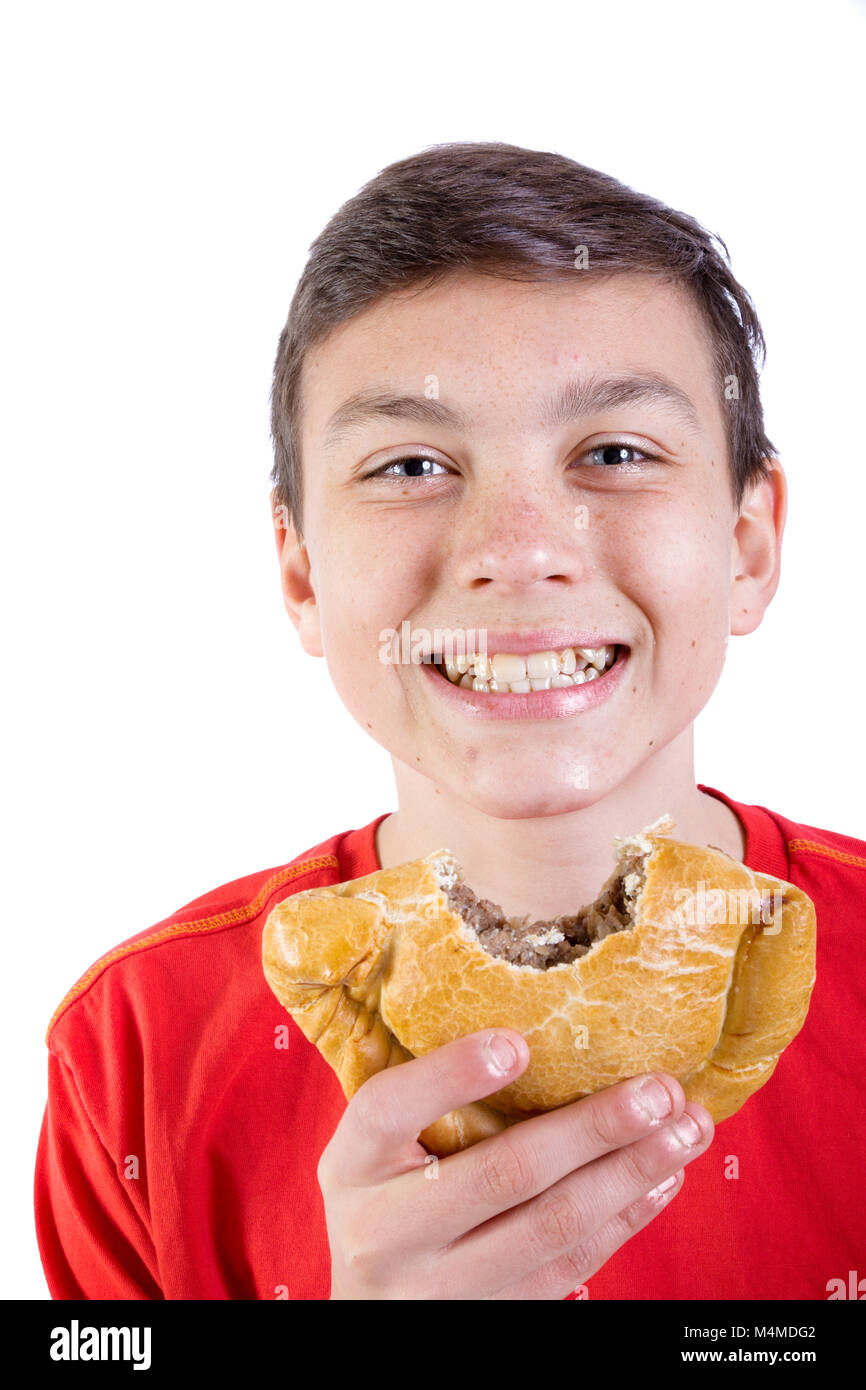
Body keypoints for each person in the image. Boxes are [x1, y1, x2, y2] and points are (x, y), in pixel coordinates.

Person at [35, 142, 866, 1301]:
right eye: (413, 463)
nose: (519, 550)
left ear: (746, 543)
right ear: (302, 576)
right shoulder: (132, 1054)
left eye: (616, 452)